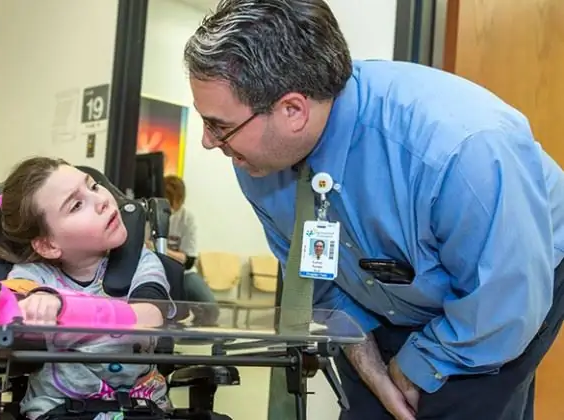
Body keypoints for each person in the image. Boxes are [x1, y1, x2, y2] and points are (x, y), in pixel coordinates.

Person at [183, 1, 564, 420]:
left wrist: (417, 366)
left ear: (293, 110)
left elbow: (504, 305)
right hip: (386, 289)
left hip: (505, 285)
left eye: (218, 125)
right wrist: (374, 370)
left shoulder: (459, 150)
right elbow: (320, 281)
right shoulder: (259, 160)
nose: (207, 141)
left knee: (456, 405)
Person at [0, 157, 174, 420]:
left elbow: (150, 318)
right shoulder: (35, 278)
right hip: (60, 411)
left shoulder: (141, 262)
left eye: (93, 186)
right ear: (47, 245)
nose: (101, 200)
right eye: (77, 205)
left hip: (140, 407)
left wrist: (65, 309)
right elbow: (11, 300)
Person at [161, 175, 219, 326]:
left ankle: (189, 340)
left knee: (210, 308)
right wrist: (175, 255)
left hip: (184, 273)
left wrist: (160, 249)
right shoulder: (150, 214)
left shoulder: (187, 218)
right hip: (155, 271)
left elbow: (188, 261)